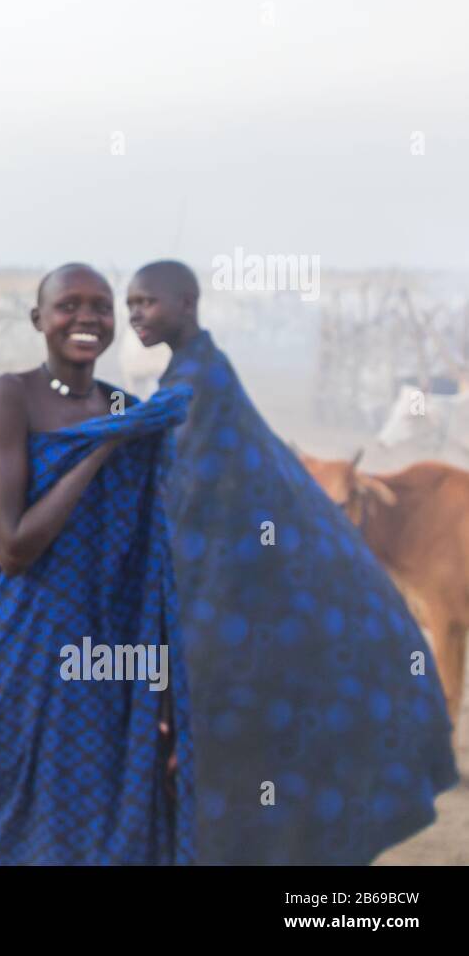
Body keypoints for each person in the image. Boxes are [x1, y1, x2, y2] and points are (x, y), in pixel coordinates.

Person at [127, 259, 459, 864]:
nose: (136, 315)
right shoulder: (195, 375)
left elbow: (189, 510)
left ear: (188, 303)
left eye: (148, 302)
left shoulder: (197, 387)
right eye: (132, 304)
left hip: (228, 613)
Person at [0, 263, 195, 864]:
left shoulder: (128, 408)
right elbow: (13, 548)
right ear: (39, 319)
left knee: (108, 814)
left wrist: (166, 691)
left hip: (110, 649)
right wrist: (104, 443)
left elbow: (156, 557)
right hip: (28, 646)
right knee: (22, 820)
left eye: (101, 306)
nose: (87, 318)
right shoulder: (10, 397)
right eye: (69, 305)